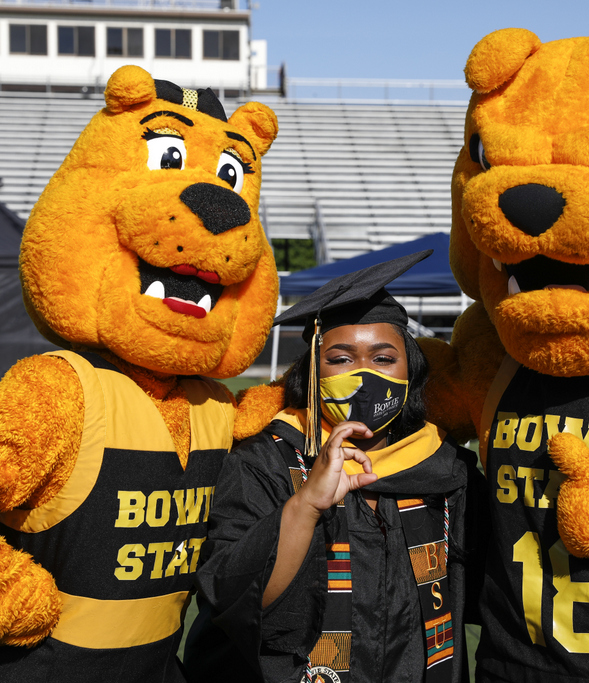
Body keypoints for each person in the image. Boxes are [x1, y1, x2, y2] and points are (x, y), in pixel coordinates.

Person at [184, 251, 487, 683]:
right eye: (341, 359)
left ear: (411, 371)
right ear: (311, 370)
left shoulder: (445, 471)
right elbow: (238, 599)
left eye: (384, 359)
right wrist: (306, 506)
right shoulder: (264, 461)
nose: (364, 375)